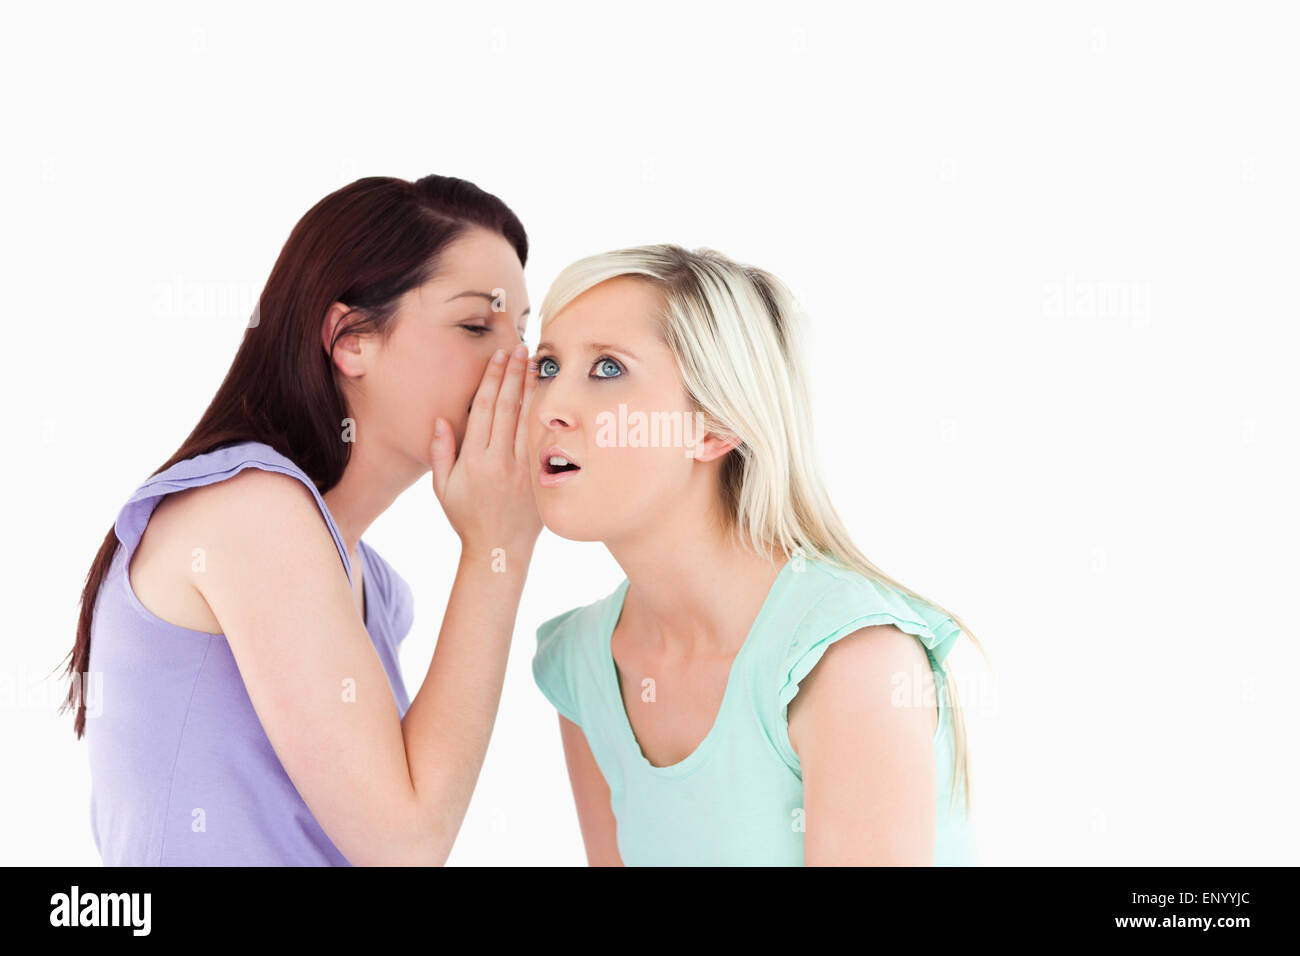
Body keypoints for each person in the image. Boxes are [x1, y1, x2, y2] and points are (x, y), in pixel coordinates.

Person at [60, 174, 542, 866]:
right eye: (476, 325)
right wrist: (497, 549)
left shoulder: (371, 585)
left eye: (523, 333)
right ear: (350, 340)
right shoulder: (249, 512)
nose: (517, 364)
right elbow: (405, 842)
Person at [528, 245, 988, 865]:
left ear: (715, 426)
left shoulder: (850, 661)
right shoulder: (583, 664)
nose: (550, 407)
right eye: (547, 367)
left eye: (607, 369)